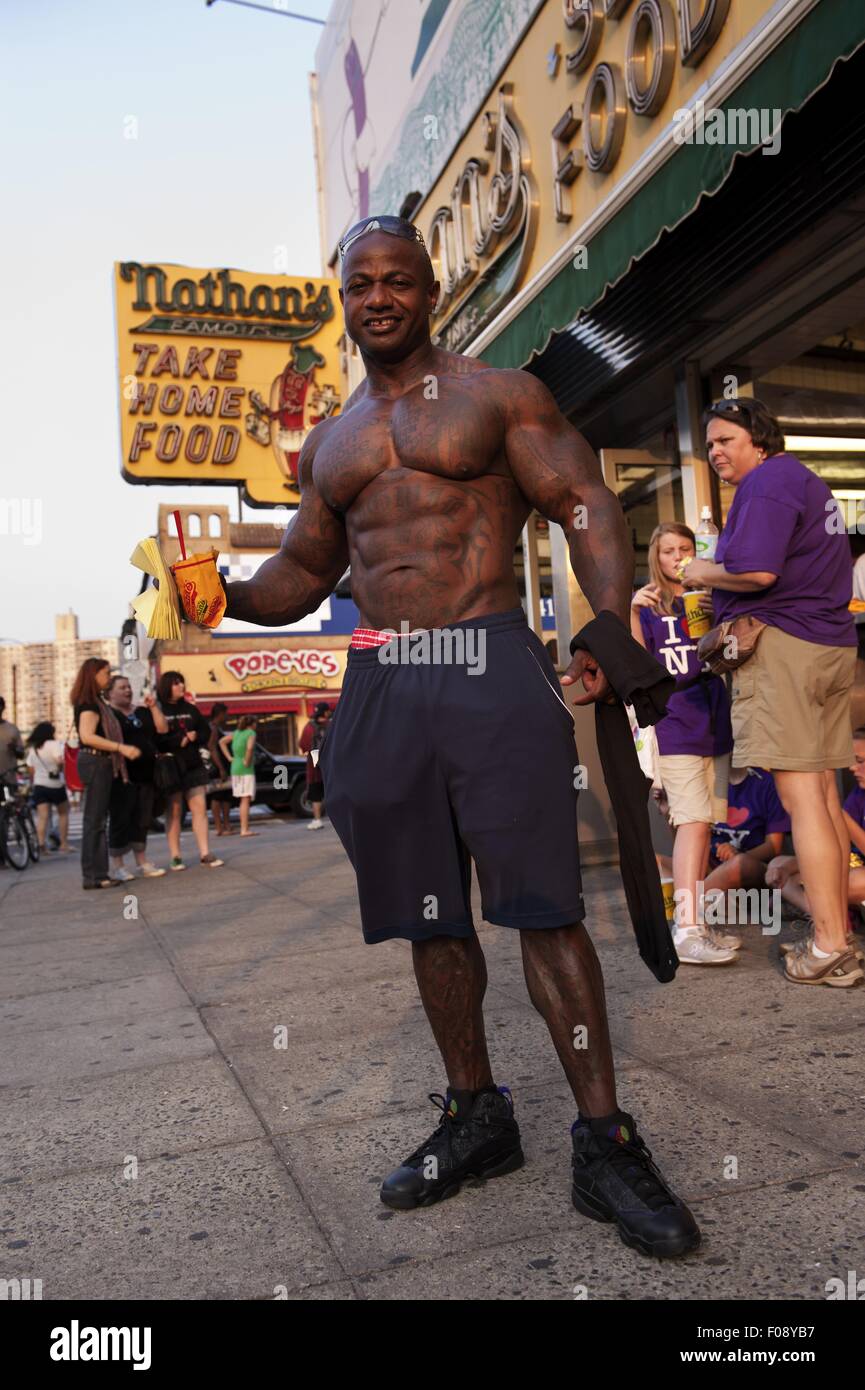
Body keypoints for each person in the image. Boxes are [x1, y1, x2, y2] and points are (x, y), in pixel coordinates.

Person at [217, 215, 699, 1259]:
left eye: (397, 281)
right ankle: (477, 1115)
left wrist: (609, 626)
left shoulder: (498, 395)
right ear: (341, 300)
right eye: (360, 284)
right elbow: (300, 572)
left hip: (486, 657)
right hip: (386, 673)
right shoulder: (333, 443)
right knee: (431, 918)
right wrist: (222, 590)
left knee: (542, 906)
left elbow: (581, 504)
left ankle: (604, 1138)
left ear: (431, 291)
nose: (378, 298)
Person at [681, 397, 861, 987]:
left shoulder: (767, 483)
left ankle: (831, 942)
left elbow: (759, 574)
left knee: (804, 799)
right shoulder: (804, 482)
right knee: (824, 797)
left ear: (759, 441)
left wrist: (700, 572)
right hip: (831, 647)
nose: (715, 452)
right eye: (709, 445)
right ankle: (836, 940)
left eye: (726, 440)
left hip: (787, 650)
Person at [631, 523, 736, 964]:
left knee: (703, 824)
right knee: (691, 823)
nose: (677, 556)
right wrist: (632, 612)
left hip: (715, 722)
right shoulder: (648, 605)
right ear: (656, 556)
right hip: (674, 725)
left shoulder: (708, 594)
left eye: (685, 548)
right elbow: (635, 667)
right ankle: (687, 928)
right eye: (669, 550)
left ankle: (696, 924)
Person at [768, 730, 865, 956]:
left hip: (858, 876)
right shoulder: (858, 795)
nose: (852, 768)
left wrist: (839, 815)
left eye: (859, 761)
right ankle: (836, 922)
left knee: (842, 880)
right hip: (849, 868)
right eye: (851, 761)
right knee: (778, 865)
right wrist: (787, 867)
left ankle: (832, 922)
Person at [71, 657, 141, 890]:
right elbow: (87, 736)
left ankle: (97, 874)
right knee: (95, 821)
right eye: (105, 673)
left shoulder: (94, 701)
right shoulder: (89, 704)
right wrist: (121, 748)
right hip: (95, 761)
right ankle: (94, 875)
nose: (108, 677)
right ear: (93, 675)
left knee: (97, 820)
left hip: (99, 762)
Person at [703, 766, 790, 926]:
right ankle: (717, 900)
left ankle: (692, 903)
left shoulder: (766, 782)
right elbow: (691, 848)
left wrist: (737, 855)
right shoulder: (706, 779)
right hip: (709, 870)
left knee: (738, 864)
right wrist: (668, 814)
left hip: (753, 871)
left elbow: (774, 846)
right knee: (657, 862)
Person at [155, 671, 223, 871]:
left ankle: (205, 853)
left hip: (193, 765)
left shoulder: (191, 709)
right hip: (170, 767)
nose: (181, 687)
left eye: (182, 683)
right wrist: (178, 740)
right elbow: (155, 739)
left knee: (200, 808)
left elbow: (207, 731)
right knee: (174, 811)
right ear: (167, 686)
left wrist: (196, 735)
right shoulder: (159, 709)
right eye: (176, 684)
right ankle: (175, 856)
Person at [106, 675, 167, 879]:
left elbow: (162, 729)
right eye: (122, 687)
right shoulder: (109, 715)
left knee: (143, 819)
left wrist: (154, 707)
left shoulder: (141, 711)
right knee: (121, 819)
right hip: (122, 775)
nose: (127, 690)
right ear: (110, 693)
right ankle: (118, 865)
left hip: (147, 773)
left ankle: (142, 861)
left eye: (129, 686)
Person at [25, 721, 71, 853]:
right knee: (63, 813)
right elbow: (59, 761)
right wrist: (59, 768)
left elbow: (31, 769)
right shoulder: (54, 744)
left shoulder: (33, 748)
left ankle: (41, 845)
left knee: (42, 817)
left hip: (40, 785)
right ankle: (63, 844)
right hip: (56, 785)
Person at [220, 714, 258, 837]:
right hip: (245, 768)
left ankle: (244, 827)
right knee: (246, 799)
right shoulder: (251, 733)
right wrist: (247, 760)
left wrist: (229, 757)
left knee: (242, 798)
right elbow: (250, 748)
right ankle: (244, 829)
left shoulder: (236, 733)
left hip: (235, 766)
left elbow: (222, 742)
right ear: (251, 724)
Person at [299, 703, 330, 830]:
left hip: (314, 768)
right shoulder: (331, 725)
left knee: (316, 795)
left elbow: (303, 745)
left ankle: (317, 820)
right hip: (330, 766)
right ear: (325, 712)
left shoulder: (309, 727)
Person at [207, 702, 234, 836]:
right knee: (218, 797)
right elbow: (212, 748)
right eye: (226, 713)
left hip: (219, 767)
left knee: (224, 797)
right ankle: (220, 827)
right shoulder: (213, 728)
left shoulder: (215, 727)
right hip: (218, 768)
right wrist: (221, 768)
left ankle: (226, 825)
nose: (227, 716)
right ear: (220, 714)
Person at [0, 695, 23, 791]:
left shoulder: (12, 729)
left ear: (3, 708)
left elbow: (21, 754)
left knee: (11, 806)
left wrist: (14, 748)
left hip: (9, 780)